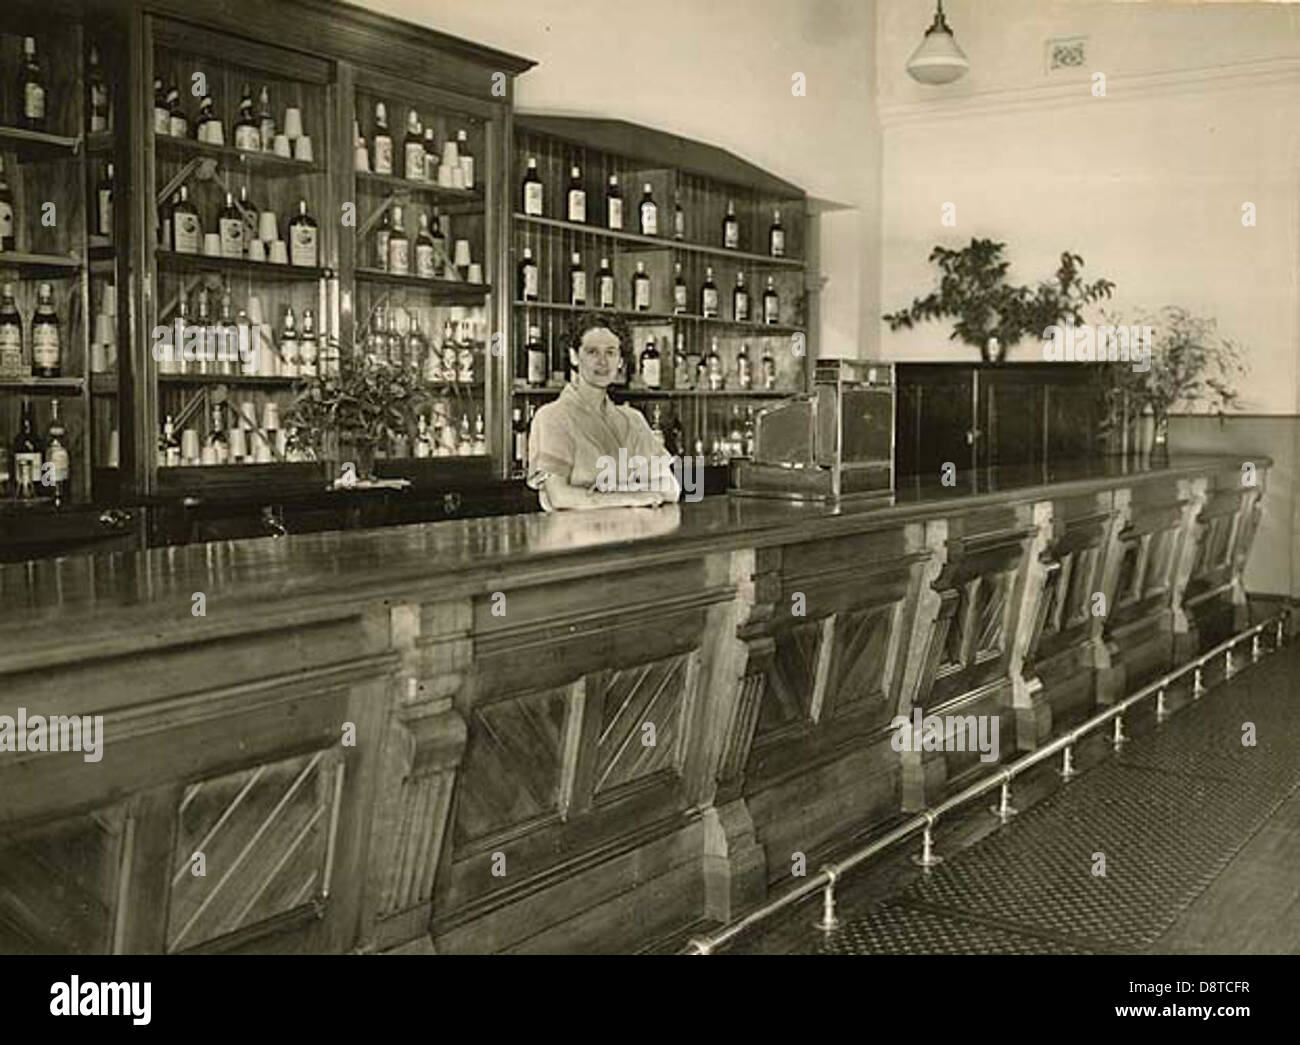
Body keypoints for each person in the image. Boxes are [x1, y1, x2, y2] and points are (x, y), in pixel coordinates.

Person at [527, 312, 681, 511]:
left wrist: (596, 496)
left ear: (620, 361)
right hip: (571, 537)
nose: (602, 361)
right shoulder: (552, 417)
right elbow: (559, 496)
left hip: (630, 535)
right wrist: (633, 496)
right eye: (592, 352)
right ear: (574, 356)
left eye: (611, 352)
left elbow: (670, 488)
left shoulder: (632, 420)